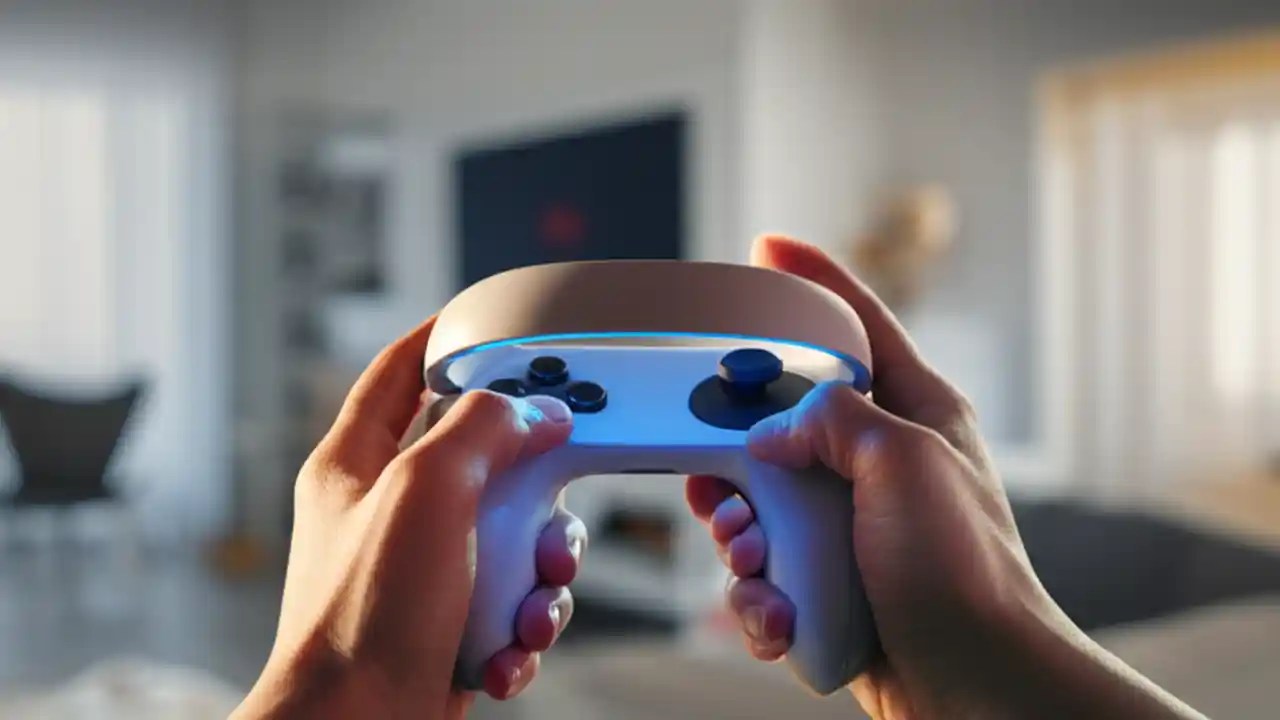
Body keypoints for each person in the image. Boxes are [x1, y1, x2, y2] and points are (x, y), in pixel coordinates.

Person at [232, 236, 1208, 720]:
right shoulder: (797, 415)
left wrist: (344, 684)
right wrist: (989, 646)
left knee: (825, 629)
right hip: (749, 387)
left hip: (524, 382)